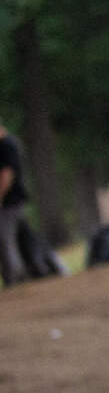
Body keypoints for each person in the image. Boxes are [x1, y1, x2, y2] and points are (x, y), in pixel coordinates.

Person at [0, 121, 30, 286]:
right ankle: (19, 277)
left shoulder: (6, 145)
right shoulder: (9, 144)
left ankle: (14, 280)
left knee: (5, 240)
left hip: (10, 201)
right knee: (12, 239)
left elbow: (7, 174)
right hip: (12, 200)